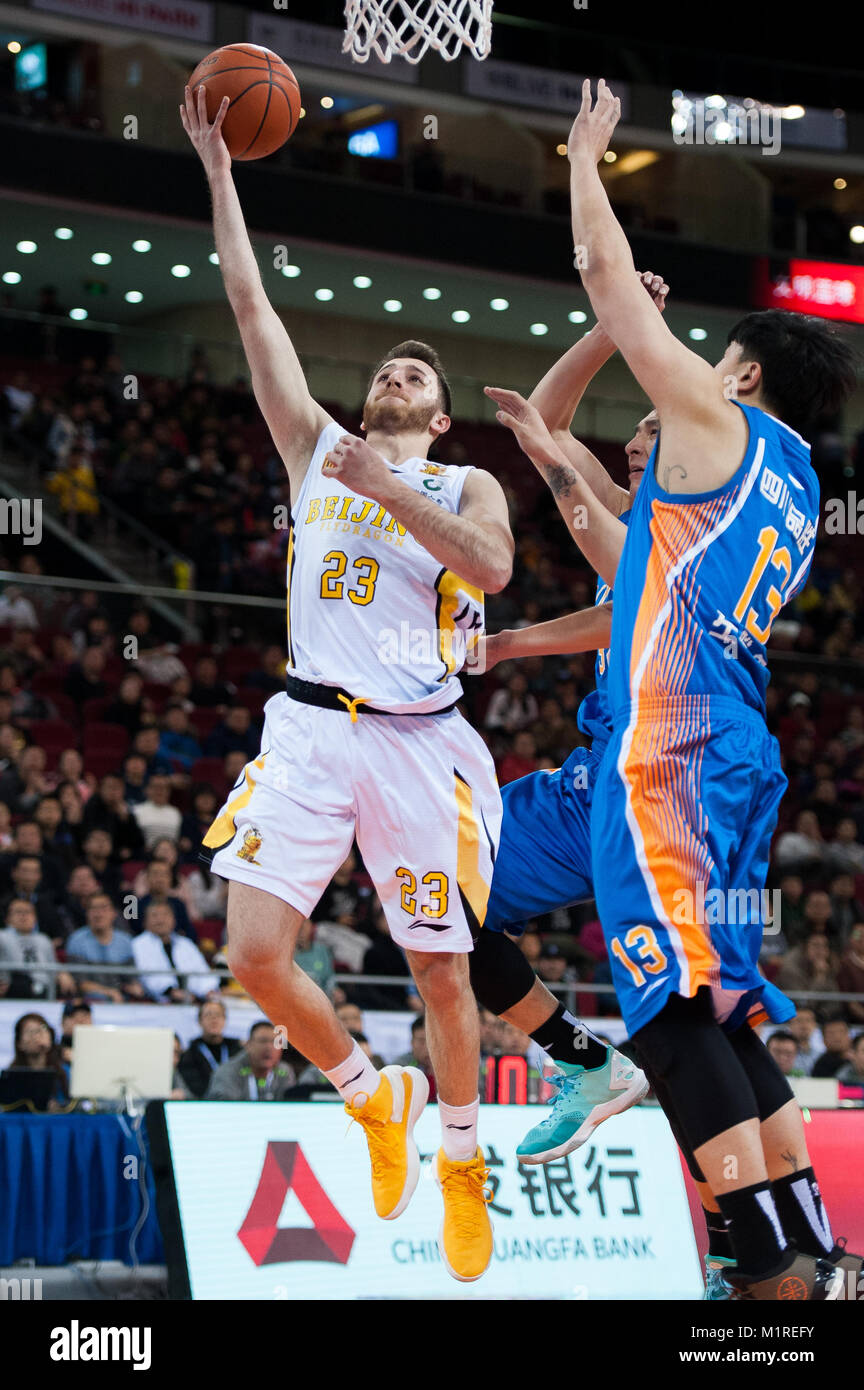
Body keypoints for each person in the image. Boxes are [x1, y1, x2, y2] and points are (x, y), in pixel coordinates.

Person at [516, 76, 859, 1301]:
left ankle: (763, 1283)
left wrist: (584, 160)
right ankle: (805, 1255)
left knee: (666, 1011)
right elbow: (631, 554)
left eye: (714, 361)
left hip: (669, 744)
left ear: (749, 380)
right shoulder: (800, 490)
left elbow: (610, 284)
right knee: (713, 1006)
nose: (696, 372)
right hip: (733, 746)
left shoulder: (728, 429)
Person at [183, 84, 514, 1282]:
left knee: (440, 969)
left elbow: (490, 565)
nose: (397, 379)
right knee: (254, 956)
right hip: (312, 727)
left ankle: (464, 1159)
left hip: (421, 742)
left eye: (418, 378)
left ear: (438, 410)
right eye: (387, 370)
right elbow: (247, 300)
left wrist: (392, 486)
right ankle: (373, 1097)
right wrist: (220, 171)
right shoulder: (315, 446)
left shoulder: (466, 484)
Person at [131, 901, 220, 1002]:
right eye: (154, 915)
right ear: (145, 921)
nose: (160, 920)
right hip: (161, 1002)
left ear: (173, 920)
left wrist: (208, 990)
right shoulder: (138, 944)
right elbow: (148, 976)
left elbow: (202, 970)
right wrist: (172, 992)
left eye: (165, 915)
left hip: (193, 999)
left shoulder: (186, 944)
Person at [64, 891, 144, 1002]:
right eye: (93, 909)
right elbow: (80, 983)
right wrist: (109, 993)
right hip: (89, 1001)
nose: (98, 914)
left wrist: (134, 986)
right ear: (87, 913)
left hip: (122, 999)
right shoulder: (76, 940)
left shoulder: (125, 941)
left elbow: (131, 978)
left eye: (103, 908)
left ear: (114, 913)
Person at [0, 899, 75, 999]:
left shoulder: (44, 939)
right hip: (13, 988)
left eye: (28, 912)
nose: (23, 916)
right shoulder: (2, 936)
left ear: (35, 918)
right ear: (8, 918)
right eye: (18, 912)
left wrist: (62, 973)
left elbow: (53, 964)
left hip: (44, 989)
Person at [205, 1019, 297, 1100]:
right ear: (248, 1045)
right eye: (263, 1041)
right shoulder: (228, 1072)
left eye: (275, 1042)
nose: (269, 1047)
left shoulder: (285, 1071)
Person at [179, 998, 243, 1098]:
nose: (214, 1019)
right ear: (199, 1021)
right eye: (208, 1015)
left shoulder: (237, 1051)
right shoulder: (189, 1055)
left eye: (218, 1015)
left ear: (225, 1020)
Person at [7, 1011, 69, 1105]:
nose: (38, 1035)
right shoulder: (10, 1076)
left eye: (43, 1029)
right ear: (19, 1043)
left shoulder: (64, 1072)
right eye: (31, 1031)